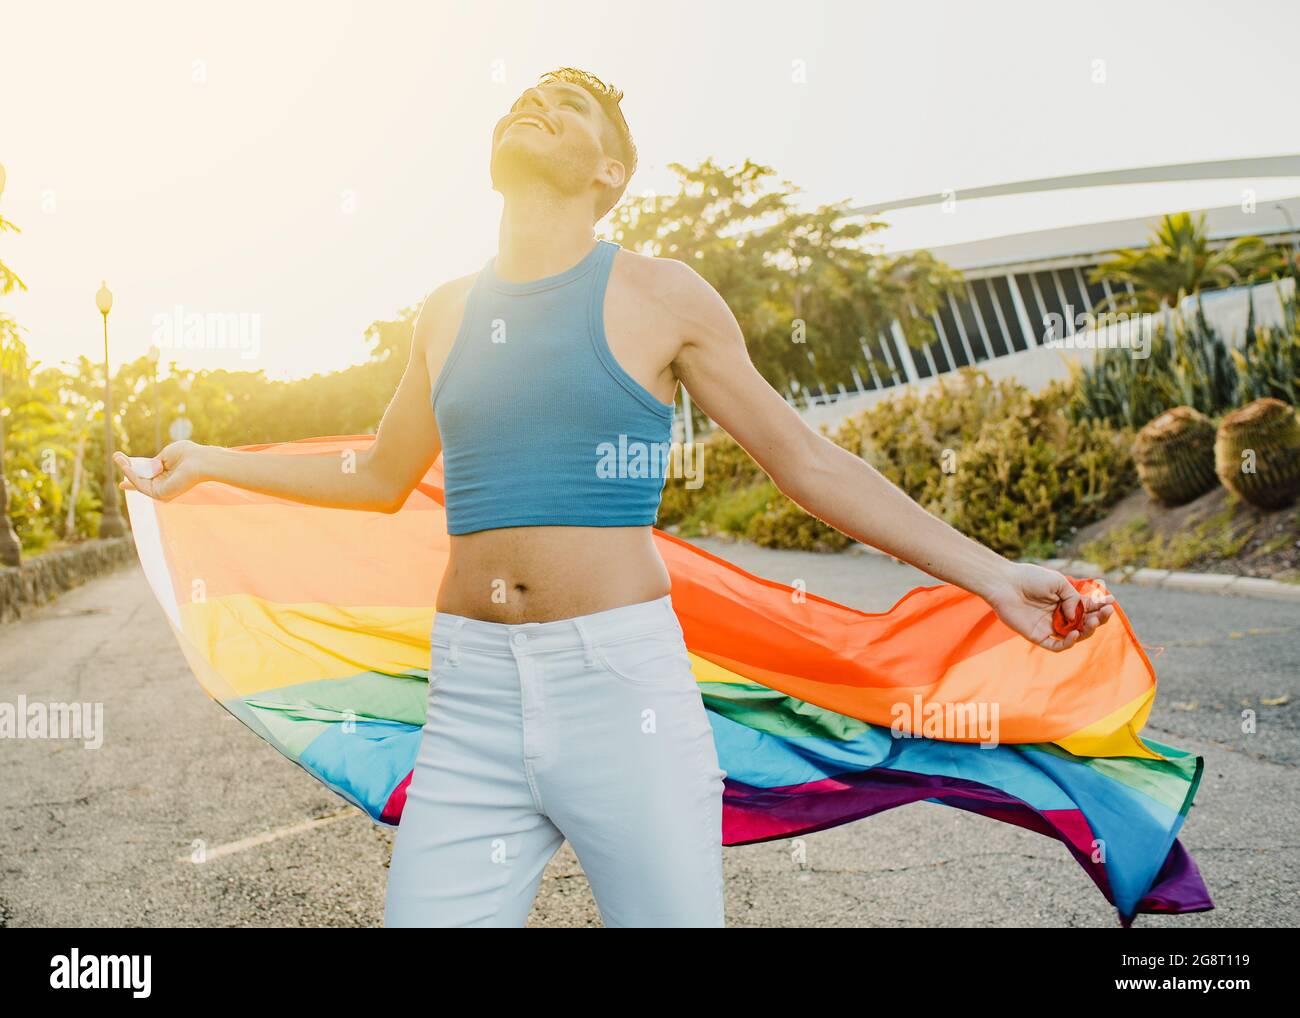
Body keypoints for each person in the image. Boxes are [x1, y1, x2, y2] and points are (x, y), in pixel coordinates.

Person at [114, 66, 1115, 928]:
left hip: (619, 691)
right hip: (470, 701)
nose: (535, 102)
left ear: (611, 173)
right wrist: (212, 460)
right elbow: (376, 476)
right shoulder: (446, 311)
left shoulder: (661, 293)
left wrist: (992, 576)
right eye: (524, 95)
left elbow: (803, 461)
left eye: (568, 102)